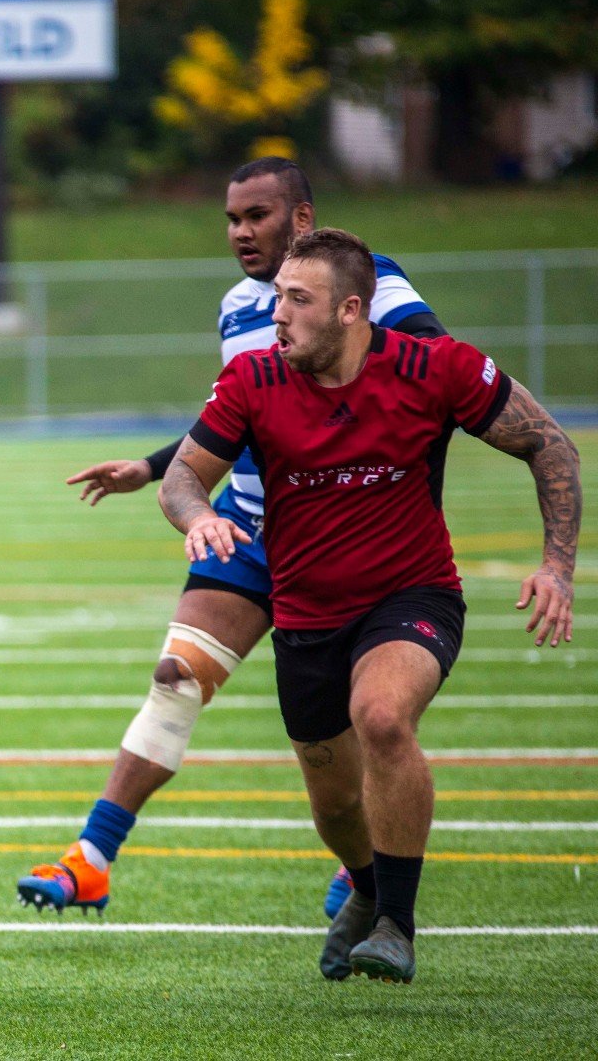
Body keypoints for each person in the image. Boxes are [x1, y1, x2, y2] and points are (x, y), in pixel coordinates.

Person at [19, 158, 451, 919]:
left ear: (304, 221)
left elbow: (433, 380)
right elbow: (238, 415)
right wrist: (154, 468)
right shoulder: (235, 307)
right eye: (231, 218)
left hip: (347, 537)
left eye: (256, 215)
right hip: (249, 529)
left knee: (359, 730)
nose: (240, 232)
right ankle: (92, 856)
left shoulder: (374, 285)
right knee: (174, 676)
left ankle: (367, 871)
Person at [162, 228, 579, 982]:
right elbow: (182, 478)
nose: (277, 315)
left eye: (297, 300)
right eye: (276, 297)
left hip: (411, 595)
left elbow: (551, 444)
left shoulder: (435, 366)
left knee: (382, 716)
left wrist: (556, 567)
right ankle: (362, 886)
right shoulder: (254, 380)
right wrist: (202, 518)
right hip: (307, 616)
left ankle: (395, 922)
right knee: (334, 807)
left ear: (352, 310)